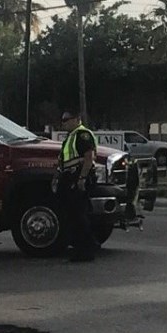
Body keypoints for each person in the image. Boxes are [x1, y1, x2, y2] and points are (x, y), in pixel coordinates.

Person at [56, 108, 100, 263]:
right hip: (70, 178)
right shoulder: (71, 136)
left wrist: (82, 179)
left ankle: (86, 249)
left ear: (76, 119)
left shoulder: (82, 135)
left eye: (66, 119)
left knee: (78, 215)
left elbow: (88, 158)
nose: (63, 123)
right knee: (73, 215)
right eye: (62, 120)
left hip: (78, 178)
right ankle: (83, 247)